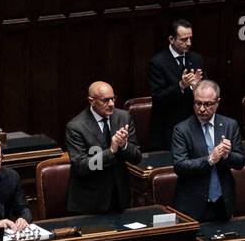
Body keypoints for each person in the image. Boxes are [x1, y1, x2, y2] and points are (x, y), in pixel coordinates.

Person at [171, 80, 245, 223]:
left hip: (223, 203)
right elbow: (179, 166)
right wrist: (210, 159)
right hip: (193, 204)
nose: (202, 109)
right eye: (198, 103)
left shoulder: (230, 125)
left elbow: (240, 162)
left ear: (217, 103)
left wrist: (226, 154)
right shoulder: (182, 130)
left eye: (208, 104)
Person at [65, 80, 142, 215]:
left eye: (113, 99)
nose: (111, 104)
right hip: (90, 202)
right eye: (105, 100)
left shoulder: (123, 117)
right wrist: (111, 151)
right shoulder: (76, 127)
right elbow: (81, 167)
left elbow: (136, 157)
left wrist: (124, 146)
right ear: (91, 101)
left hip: (119, 199)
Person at [146, 18, 204, 152]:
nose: (188, 43)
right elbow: (158, 97)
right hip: (168, 128)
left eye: (190, 38)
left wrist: (197, 86)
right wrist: (181, 86)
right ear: (171, 39)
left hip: (193, 125)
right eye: (183, 39)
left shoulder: (196, 58)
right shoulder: (157, 62)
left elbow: (206, 89)